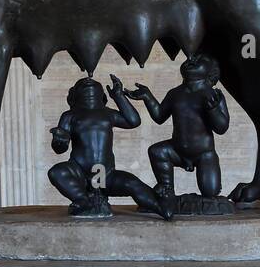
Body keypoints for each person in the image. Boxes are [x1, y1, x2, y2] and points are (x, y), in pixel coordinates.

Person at [49, 76, 171, 218]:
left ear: (102, 96)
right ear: (75, 95)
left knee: (132, 183)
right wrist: (60, 140)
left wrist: (119, 96)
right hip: (79, 171)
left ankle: (160, 206)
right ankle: (82, 199)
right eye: (83, 83)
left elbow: (133, 121)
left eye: (94, 83)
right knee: (57, 172)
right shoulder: (69, 116)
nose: (89, 80)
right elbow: (59, 149)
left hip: (105, 173)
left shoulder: (107, 113)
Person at [126, 54, 230, 200]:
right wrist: (147, 97)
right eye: (189, 59)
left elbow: (222, 128)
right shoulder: (175, 93)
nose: (191, 60)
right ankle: (167, 187)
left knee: (210, 193)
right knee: (157, 151)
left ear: (211, 72)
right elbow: (160, 117)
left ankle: (209, 188)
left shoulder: (212, 95)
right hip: (177, 150)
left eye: (200, 60)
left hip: (204, 154)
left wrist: (213, 110)